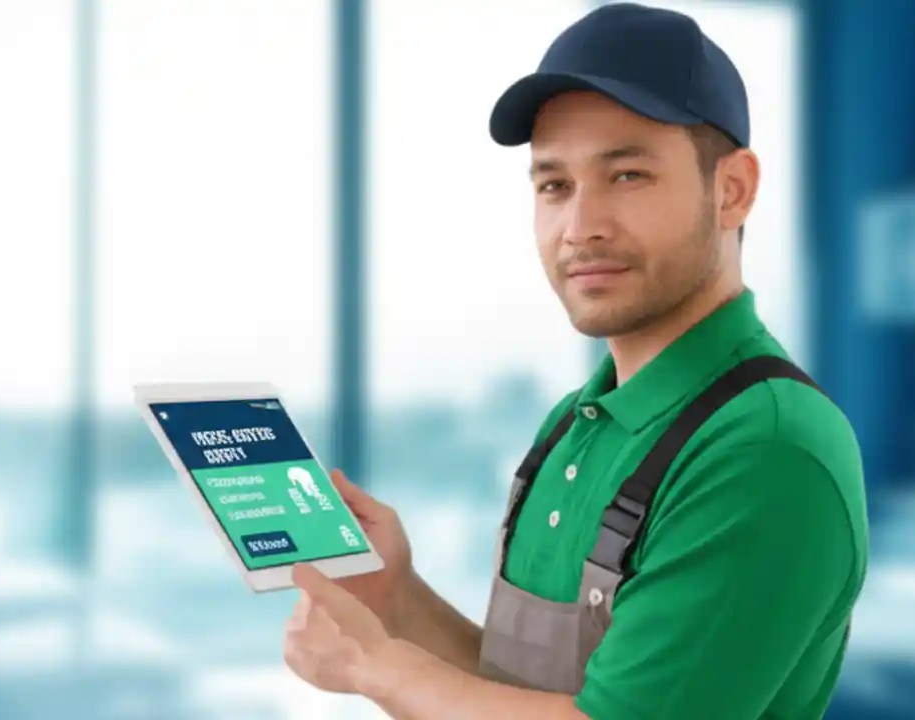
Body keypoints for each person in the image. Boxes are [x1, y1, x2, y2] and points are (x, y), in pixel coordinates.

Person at [281, 4, 869, 718]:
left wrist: (374, 667)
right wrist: (397, 599)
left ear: (733, 191)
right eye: (555, 186)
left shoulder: (767, 448)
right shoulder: (575, 424)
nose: (580, 227)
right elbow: (520, 696)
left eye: (627, 176)